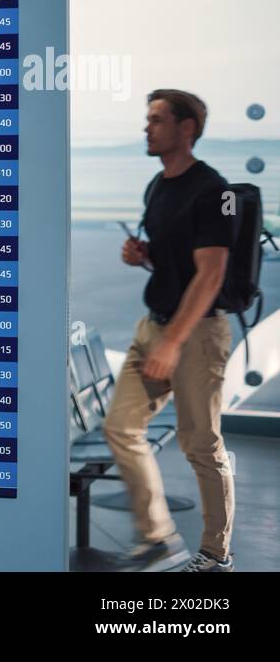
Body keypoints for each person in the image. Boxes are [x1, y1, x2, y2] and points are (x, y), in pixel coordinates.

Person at [105, 89, 237, 573]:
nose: (147, 128)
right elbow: (176, 263)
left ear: (186, 129)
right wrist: (144, 257)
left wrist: (174, 342)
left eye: (157, 120)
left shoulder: (215, 190)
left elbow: (212, 274)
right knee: (121, 427)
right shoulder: (157, 187)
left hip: (197, 334)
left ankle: (215, 554)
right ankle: (158, 539)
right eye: (147, 119)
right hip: (153, 325)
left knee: (202, 445)